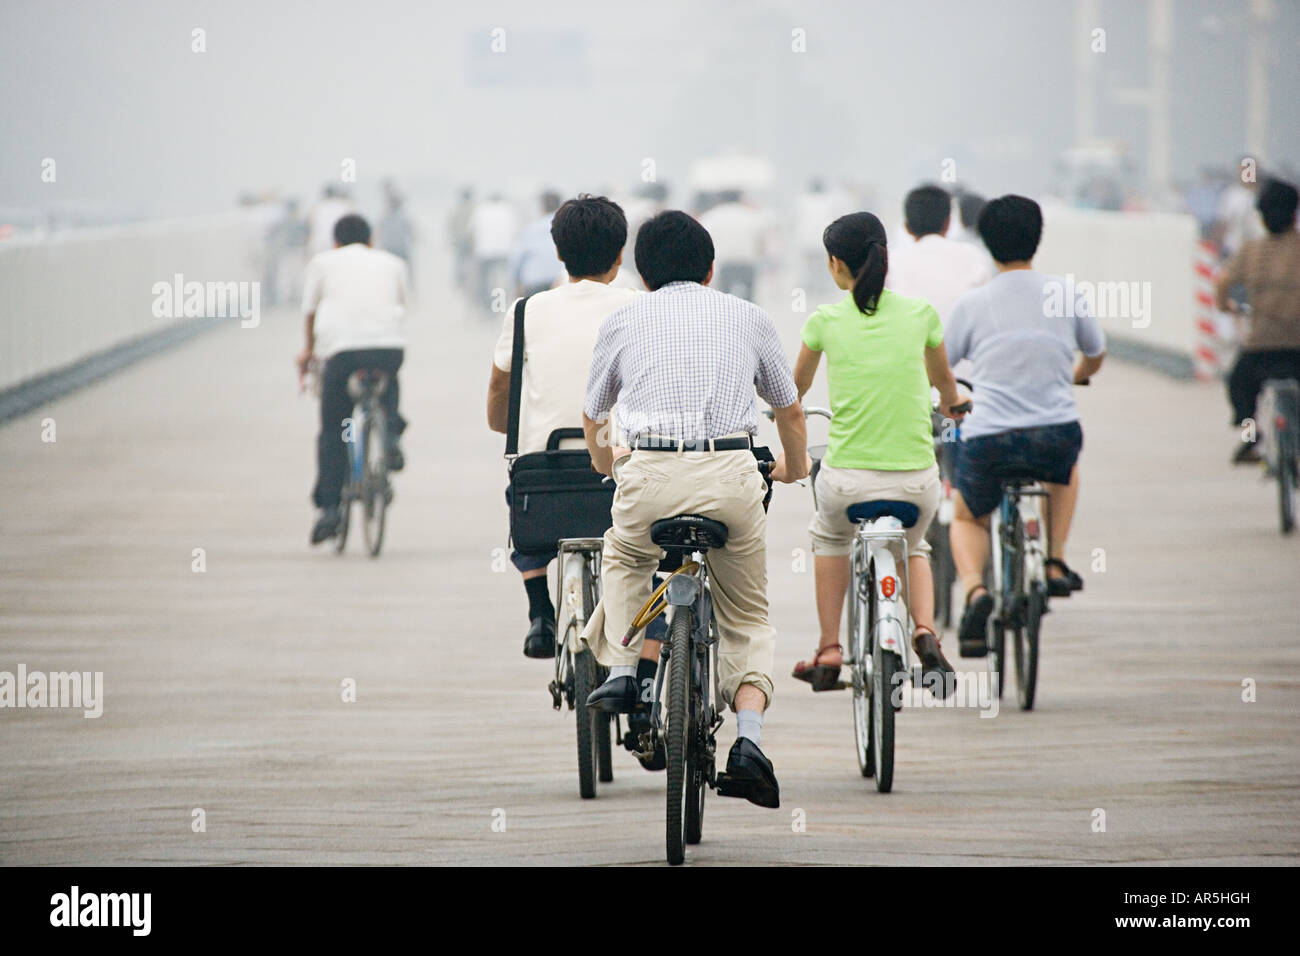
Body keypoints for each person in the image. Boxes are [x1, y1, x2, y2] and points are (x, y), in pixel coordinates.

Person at [579, 210, 810, 809]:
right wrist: (794, 465)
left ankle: (626, 672)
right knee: (746, 616)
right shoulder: (749, 316)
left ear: (641, 272)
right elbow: (788, 409)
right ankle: (749, 742)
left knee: (625, 556)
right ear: (711, 270)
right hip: (732, 477)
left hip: (649, 475)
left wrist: (610, 466)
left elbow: (595, 416)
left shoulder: (622, 320)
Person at [791, 212, 969, 697]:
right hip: (915, 482)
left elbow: (793, 390)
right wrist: (954, 407)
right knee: (915, 545)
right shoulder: (920, 315)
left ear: (835, 264)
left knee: (829, 538)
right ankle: (924, 631)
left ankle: (829, 648)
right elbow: (944, 385)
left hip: (848, 483)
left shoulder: (824, 321)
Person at [944, 195, 1106, 656]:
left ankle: (976, 591)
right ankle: (1054, 562)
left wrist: (951, 399)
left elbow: (942, 365)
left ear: (986, 242)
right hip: (1054, 432)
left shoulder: (972, 303)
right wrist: (1075, 376)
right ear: (1038, 239)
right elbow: (1095, 353)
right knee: (1064, 470)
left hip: (989, 435)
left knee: (967, 514)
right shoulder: (1066, 293)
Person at [485, 195, 641, 658]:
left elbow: (500, 389)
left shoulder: (526, 311)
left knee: (521, 501)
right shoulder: (637, 306)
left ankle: (539, 610)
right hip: (620, 466)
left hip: (545, 467)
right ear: (619, 256)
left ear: (558, 253)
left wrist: (504, 428)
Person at [297, 214, 410, 544]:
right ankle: (390, 433)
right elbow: (402, 306)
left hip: (342, 353)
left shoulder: (322, 263)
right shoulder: (393, 262)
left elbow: (310, 311)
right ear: (371, 240)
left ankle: (330, 510)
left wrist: (307, 351)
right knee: (389, 377)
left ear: (334, 243)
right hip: (388, 348)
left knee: (334, 428)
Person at [1216, 178, 1300, 463]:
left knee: (1239, 388)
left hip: (1261, 350)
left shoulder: (1251, 251)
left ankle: (1251, 436)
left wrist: (1225, 306)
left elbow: (1223, 281)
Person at [887, 184, 992, 322]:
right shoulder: (974, 256)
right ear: (948, 222)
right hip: (961, 341)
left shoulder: (890, 262)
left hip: (910, 341)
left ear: (907, 227)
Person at [697, 190, 767, 301]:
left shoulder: (712, 215)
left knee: (723, 299)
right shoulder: (751, 215)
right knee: (750, 300)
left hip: (725, 265)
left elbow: (701, 238)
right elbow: (762, 240)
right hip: (747, 264)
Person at [508, 190, 564, 298]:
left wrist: (516, 283)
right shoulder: (568, 227)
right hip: (561, 282)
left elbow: (517, 259)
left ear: (542, 207)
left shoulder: (530, 229)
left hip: (535, 283)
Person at [470, 193, 520, 306]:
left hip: (485, 251)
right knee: (506, 277)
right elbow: (515, 231)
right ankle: (503, 302)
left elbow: (472, 231)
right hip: (505, 250)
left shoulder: (480, 210)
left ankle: (485, 303)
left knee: (483, 279)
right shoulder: (508, 210)